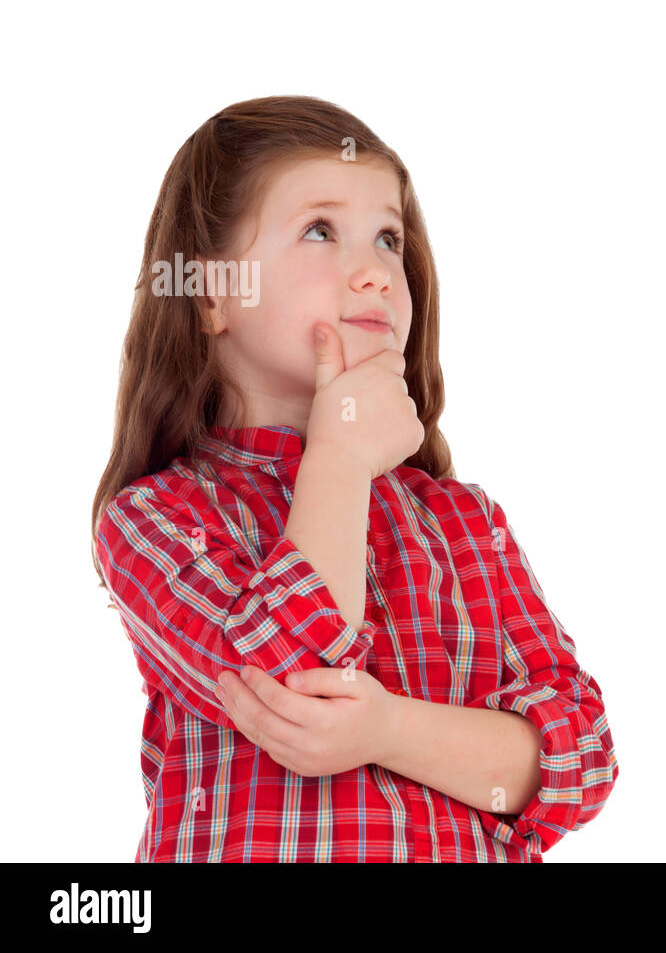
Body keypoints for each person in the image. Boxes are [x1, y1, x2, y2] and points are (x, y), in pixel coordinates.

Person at [92, 95, 617, 862]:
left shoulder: (467, 523)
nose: (375, 270)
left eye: (388, 238)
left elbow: (581, 755)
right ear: (210, 293)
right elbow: (289, 676)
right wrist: (336, 458)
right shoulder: (156, 517)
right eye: (320, 231)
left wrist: (388, 729)